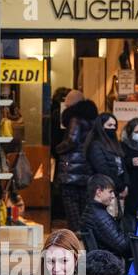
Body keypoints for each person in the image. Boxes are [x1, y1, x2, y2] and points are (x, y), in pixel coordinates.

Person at [53, 90, 99, 233]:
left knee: (70, 201)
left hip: (72, 167)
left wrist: (58, 149)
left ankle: (76, 232)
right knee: (83, 200)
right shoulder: (92, 119)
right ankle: (85, 231)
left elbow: (71, 140)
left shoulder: (75, 119)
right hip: (86, 166)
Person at [80, 175, 130, 260]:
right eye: (110, 192)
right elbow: (123, 247)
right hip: (108, 264)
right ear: (99, 192)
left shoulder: (90, 210)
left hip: (101, 263)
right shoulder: (100, 217)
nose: (113, 196)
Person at [84, 113, 126, 197]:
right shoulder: (95, 145)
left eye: (114, 125)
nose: (113, 128)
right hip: (102, 190)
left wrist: (125, 185)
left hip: (115, 190)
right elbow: (102, 168)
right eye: (109, 125)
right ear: (101, 127)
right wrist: (120, 186)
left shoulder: (115, 144)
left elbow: (122, 167)